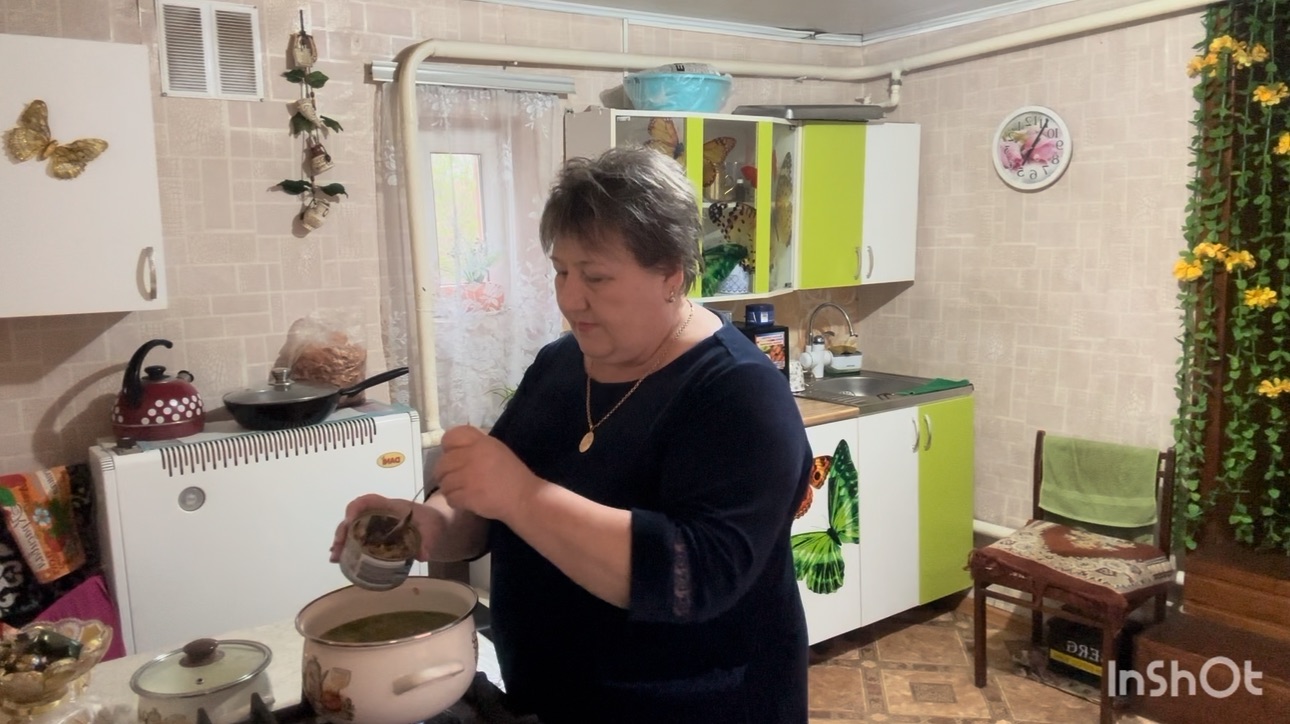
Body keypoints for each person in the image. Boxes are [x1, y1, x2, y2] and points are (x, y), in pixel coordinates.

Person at [332, 146, 813, 723]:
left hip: (697, 707)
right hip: (548, 699)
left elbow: (693, 578)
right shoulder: (560, 364)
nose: (570, 297)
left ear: (671, 273)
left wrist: (522, 495)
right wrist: (429, 525)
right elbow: (487, 503)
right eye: (561, 271)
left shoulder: (739, 392)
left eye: (596, 276)